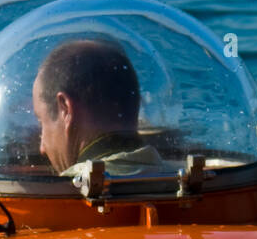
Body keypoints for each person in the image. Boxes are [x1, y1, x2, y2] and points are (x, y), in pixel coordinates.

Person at [31, 38, 164, 176]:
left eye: (42, 122)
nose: (42, 148)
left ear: (65, 109)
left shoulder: (65, 191)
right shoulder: (174, 176)